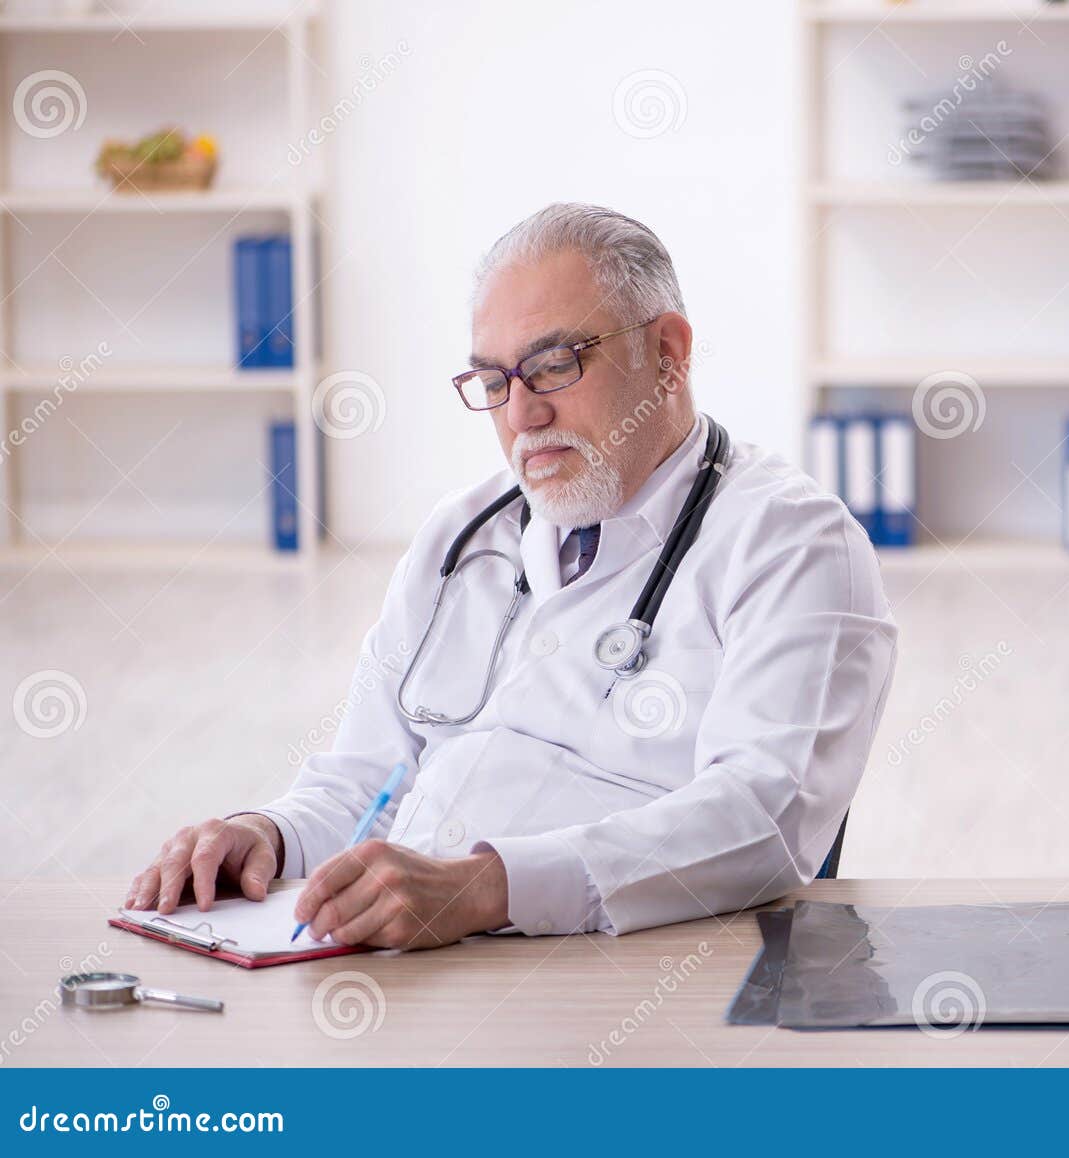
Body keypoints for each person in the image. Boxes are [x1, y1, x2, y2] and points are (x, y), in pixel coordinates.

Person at [125, 203, 898, 948]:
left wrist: (485, 890)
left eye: (554, 366)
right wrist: (267, 835)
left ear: (667, 354)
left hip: (616, 977)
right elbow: (365, 785)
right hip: (407, 966)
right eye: (494, 382)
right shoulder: (461, 535)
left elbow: (763, 820)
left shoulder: (791, 544)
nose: (521, 416)